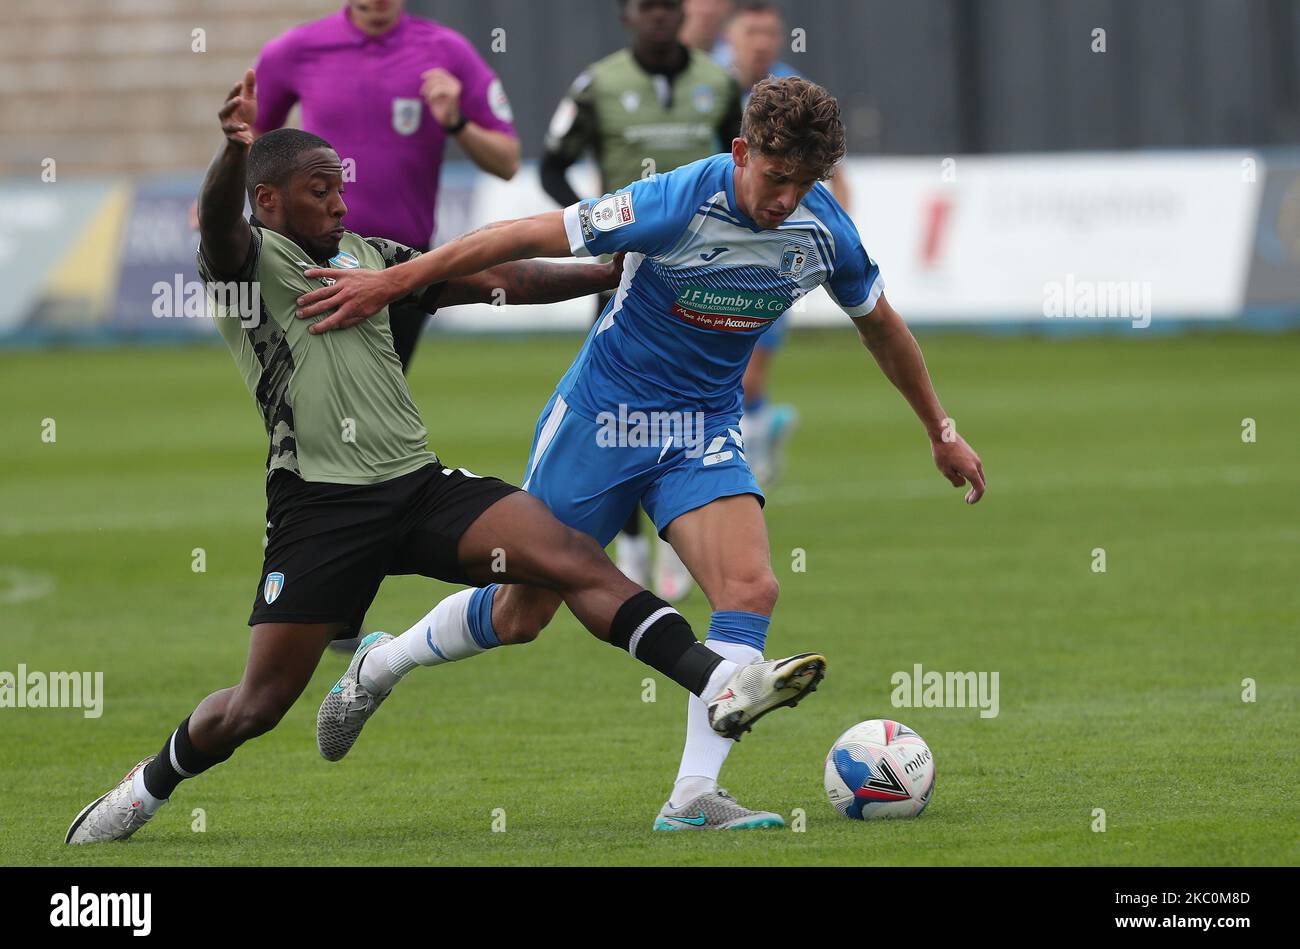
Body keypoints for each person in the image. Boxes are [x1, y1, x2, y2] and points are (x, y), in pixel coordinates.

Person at [64, 71, 827, 845]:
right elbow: (218, 236)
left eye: (340, 189)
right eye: (321, 192)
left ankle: (723, 683)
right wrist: (234, 151)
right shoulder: (246, 269)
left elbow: (499, 280)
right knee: (256, 707)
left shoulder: (371, 254)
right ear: (268, 202)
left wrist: (606, 269)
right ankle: (148, 786)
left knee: (570, 559)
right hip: (322, 509)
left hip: (421, 489)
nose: (340, 203)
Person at [294, 75, 986, 831]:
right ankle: (381, 664)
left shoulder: (826, 235)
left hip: (701, 430)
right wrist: (395, 281)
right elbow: (523, 234)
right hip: (602, 418)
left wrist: (939, 429)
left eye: (806, 182)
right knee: (525, 614)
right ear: (741, 151)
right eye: (777, 176)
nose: (788, 198)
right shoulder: (677, 201)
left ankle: (692, 797)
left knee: (750, 588)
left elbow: (881, 327)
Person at [541, 0, 743, 600]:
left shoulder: (719, 82)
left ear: (681, 15)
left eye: (666, 8)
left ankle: (679, 534)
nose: (657, 18)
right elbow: (553, 164)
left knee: (703, 395)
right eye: (645, 8)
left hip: (708, 273)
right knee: (617, 404)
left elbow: (749, 158)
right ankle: (631, 544)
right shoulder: (598, 84)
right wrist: (595, 229)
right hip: (627, 274)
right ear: (627, 17)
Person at [254, 0, 520, 373]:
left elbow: (507, 160)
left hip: (404, 266)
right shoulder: (295, 49)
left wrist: (457, 123)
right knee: (321, 397)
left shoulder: (446, 51)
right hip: (317, 259)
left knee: (379, 398)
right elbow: (254, 134)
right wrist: (220, 194)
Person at [697, 0, 853, 485]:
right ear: (730, 37)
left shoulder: (792, 94)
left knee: (750, 369)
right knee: (714, 365)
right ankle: (751, 436)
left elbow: (834, 175)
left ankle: (745, 458)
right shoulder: (704, 86)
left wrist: (841, 235)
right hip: (705, 245)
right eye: (751, 32)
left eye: (770, 33)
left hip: (770, 248)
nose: (762, 42)